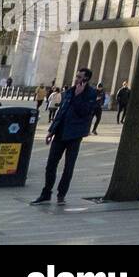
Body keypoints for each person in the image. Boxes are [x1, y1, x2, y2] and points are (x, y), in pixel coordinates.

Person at [32, 67, 98, 205]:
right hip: (60, 132)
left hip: (75, 135)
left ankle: (61, 194)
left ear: (86, 79)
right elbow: (61, 112)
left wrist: (79, 96)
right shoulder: (69, 92)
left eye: (80, 77)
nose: (77, 79)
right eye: (77, 76)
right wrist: (52, 130)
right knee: (51, 164)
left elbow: (85, 112)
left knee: (68, 167)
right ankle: (46, 192)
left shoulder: (91, 94)